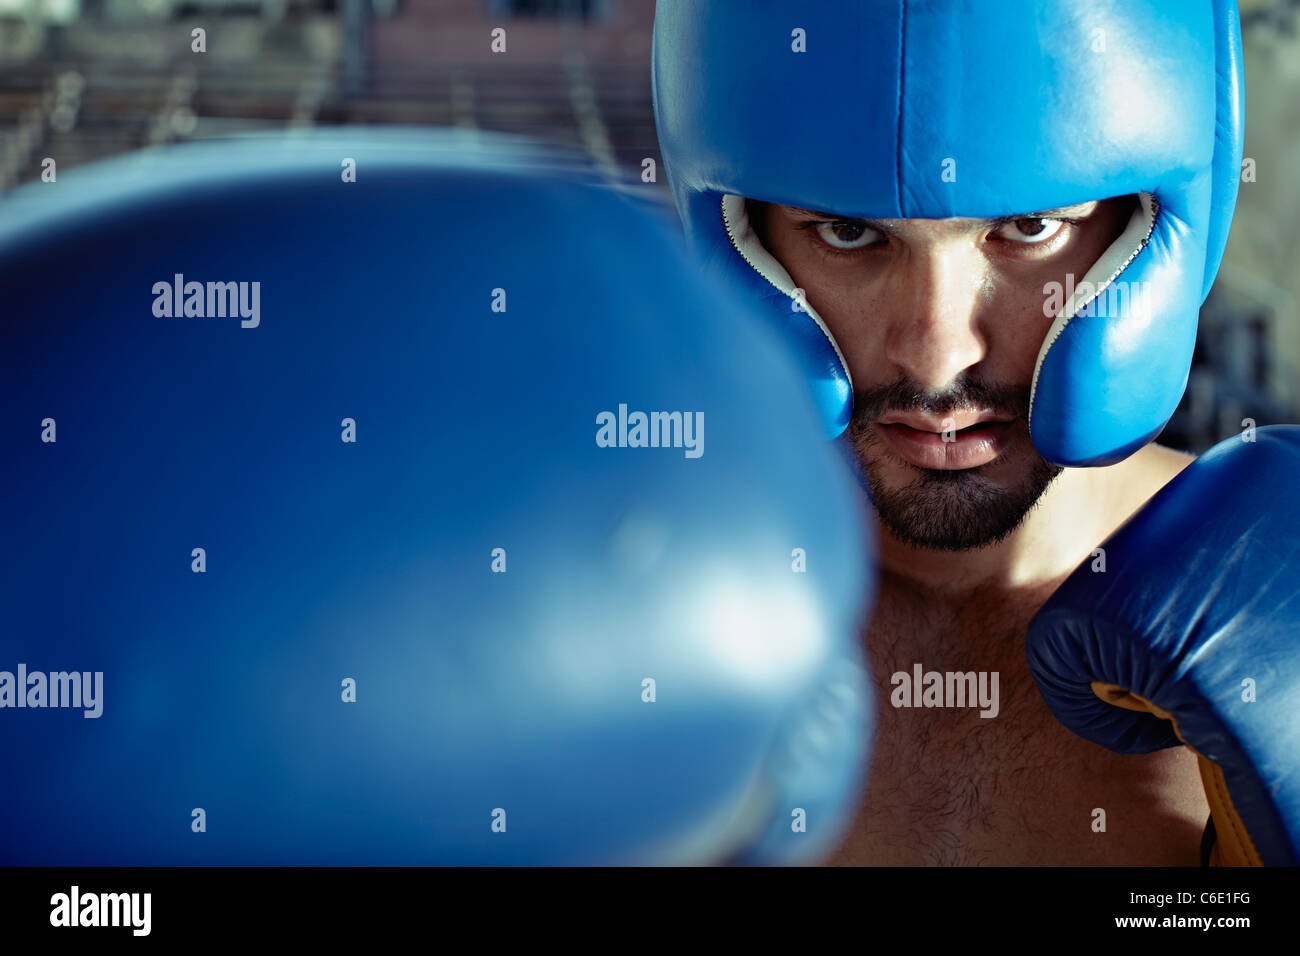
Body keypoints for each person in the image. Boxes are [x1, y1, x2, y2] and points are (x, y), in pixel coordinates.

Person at [652, 0, 1300, 865]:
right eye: (848, 234)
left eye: (1030, 229)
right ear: (737, 236)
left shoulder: (1271, 610)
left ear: (1160, 227)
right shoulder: (636, 605)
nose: (936, 353)